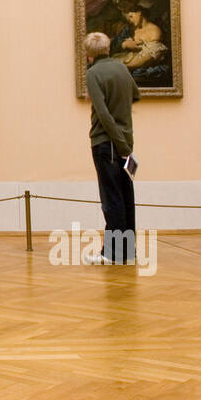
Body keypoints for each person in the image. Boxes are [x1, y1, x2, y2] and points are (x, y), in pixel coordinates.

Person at [84, 31, 139, 264]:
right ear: (108, 48)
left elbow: (104, 115)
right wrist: (125, 144)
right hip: (125, 142)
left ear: (89, 54)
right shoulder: (122, 69)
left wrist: (118, 143)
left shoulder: (93, 73)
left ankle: (112, 254)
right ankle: (128, 251)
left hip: (106, 143)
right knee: (126, 197)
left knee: (111, 199)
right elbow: (135, 96)